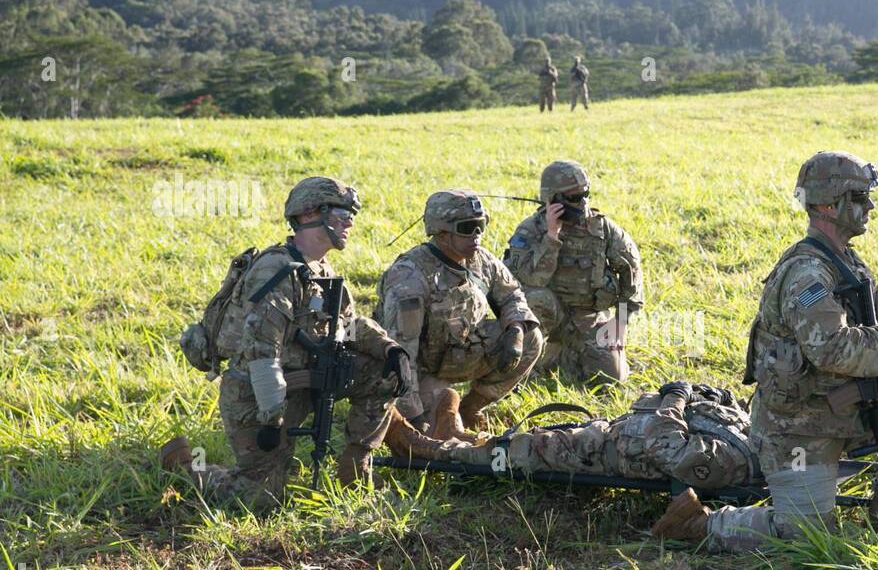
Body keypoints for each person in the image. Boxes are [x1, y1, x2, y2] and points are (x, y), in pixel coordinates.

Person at [653, 152, 878, 552]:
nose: (871, 207)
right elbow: (834, 350)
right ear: (829, 205)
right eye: (860, 198)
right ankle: (700, 525)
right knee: (805, 540)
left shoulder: (848, 264)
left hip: (850, 411)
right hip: (797, 428)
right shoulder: (808, 275)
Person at [161, 177, 413, 506]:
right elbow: (261, 354)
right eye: (341, 214)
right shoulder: (275, 271)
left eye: (351, 215)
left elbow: (346, 324)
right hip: (256, 395)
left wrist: (389, 348)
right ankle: (186, 464)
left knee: (384, 371)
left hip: (304, 383)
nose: (349, 223)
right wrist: (272, 419)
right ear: (310, 214)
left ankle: (356, 466)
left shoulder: (321, 269)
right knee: (258, 497)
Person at [389, 382, 757, 493]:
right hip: (612, 432)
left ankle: (433, 450)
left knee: (522, 451)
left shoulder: (734, 459)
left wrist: (678, 397)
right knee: (534, 437)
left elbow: (667, 448)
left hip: (601, 453)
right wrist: (719, 399)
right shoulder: (753, 431)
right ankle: (463, 436)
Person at [377, 189, 543, 432]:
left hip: (462, 352)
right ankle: (429, 408)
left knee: (531, 338)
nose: (477, 235)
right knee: (439, 431)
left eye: (481, 225)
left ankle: (472, 407)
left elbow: (511, 295)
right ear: (441, 233)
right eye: (467, 228)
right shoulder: (410, 277)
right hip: (421, 369)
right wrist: (413, 417)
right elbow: (401, 356)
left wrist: (515, 331)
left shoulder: (481, 260)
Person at [503, 159, 643, 385]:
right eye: (574, 198)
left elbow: (632, 280)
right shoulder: (530, 230)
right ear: (553, 199)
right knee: (534, 297)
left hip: (588, 318)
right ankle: (537, 353)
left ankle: (560, 356)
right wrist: (551, 237)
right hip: (548, 314)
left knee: (611, 379)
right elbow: (532, 280)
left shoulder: (605, 230)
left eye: (586, 194)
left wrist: (620, 323)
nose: (583, 202)